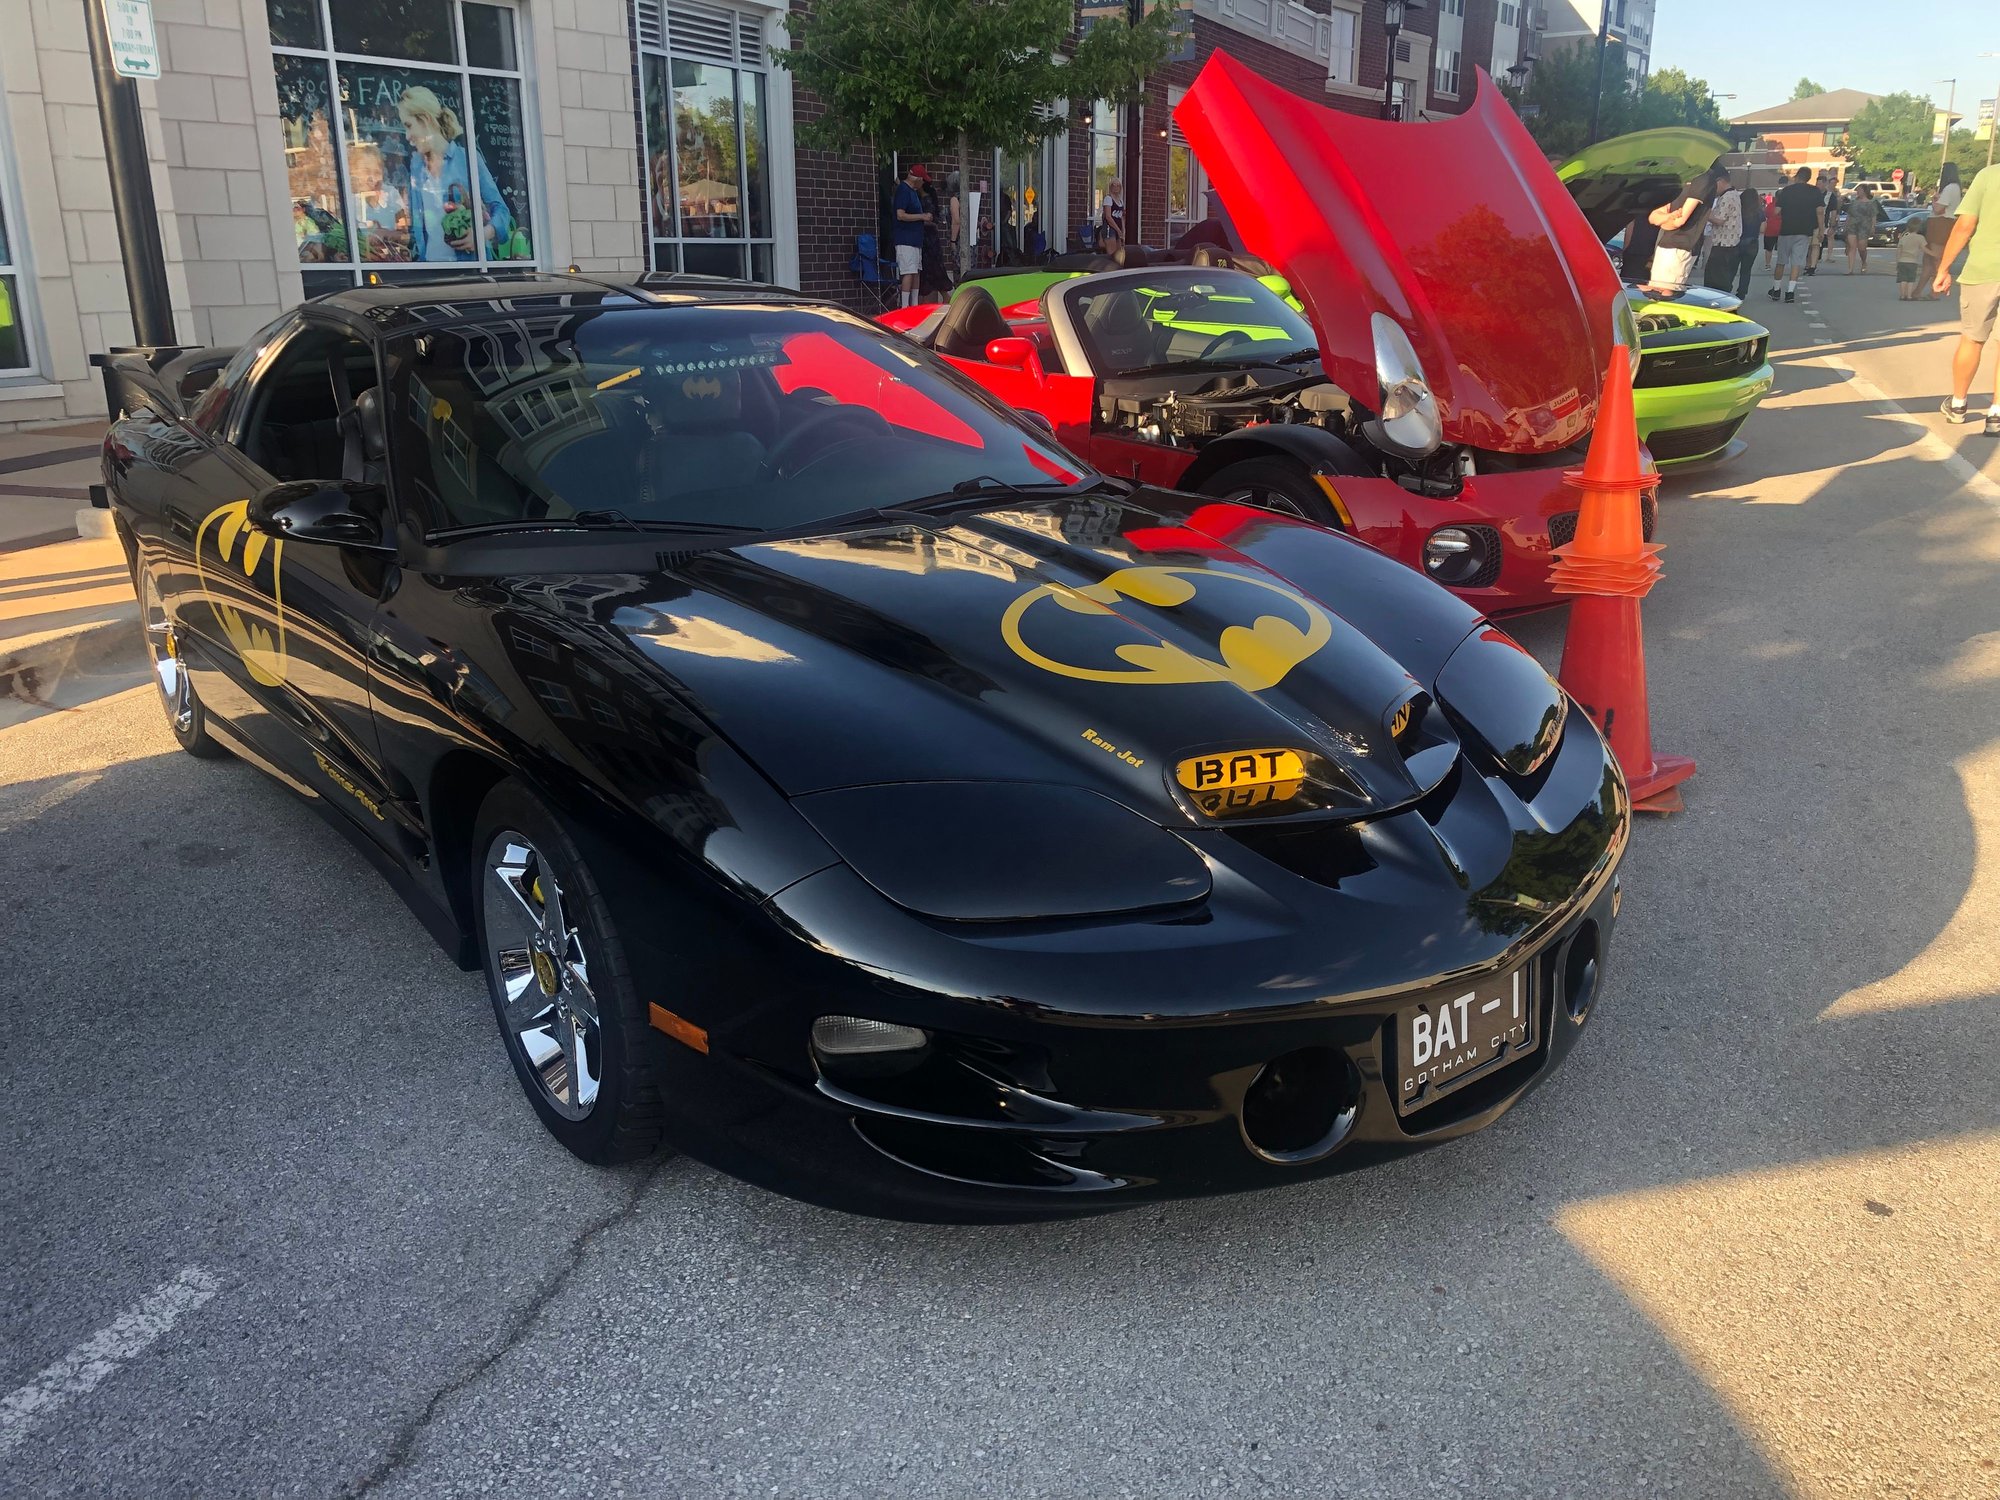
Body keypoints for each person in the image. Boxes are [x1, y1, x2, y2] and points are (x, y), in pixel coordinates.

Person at [396, 85, 511, 263]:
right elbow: (417, 230)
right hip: (427, 272)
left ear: (425, 119)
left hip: (469, 273)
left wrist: (480, 236)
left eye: (409, 126)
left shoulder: (467, 160)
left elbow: (502, 212)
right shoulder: (417, 167)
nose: (407, 136)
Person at [1932, 162, 1999, 435]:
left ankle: (1958, 404)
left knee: (1972, 339)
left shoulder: (1989, 175)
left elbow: (1964, 225)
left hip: (1984, 270)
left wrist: (1943, 268)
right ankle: (1996, 414)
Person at [1644, 167, 1716, 295]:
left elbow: (1680, 221)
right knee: (1654, 292)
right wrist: (1669, 217)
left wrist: (1664, 220)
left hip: (1682, 245)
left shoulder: (1703, 177)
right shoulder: (1681, 174)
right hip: (1665, 243)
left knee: (1667, 294)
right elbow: (1653, 217)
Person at [1767, 167, 1824, 304]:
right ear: (1809, 178)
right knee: (1796, 263)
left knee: (1781, 261)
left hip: (1786, 230)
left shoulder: (1786, 191)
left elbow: (1776, 211)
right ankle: (1790, 292)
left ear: (1797, 176)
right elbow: (1820, 212)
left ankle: (1776, 289)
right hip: (1804, 231)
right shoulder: (1815, 191)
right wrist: (1821, 230)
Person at [891, 161, 932, 309]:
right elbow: (900, 215)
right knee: (908, 271)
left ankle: (914, 304)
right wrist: (922, 216)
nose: (923, 184)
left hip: (915, 239)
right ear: (918, 179)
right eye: (923, 180)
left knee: (915, 271)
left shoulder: (913, 192)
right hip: (905, 239)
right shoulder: (903, 190)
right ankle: (905, 306)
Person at [1921, 163, 1963, 299]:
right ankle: (1917, 291)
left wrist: (1934, 200)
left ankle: (1936, 290)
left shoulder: (1950, 188)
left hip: (1941, 223)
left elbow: (1939, 209)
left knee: (1936, 258)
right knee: (1928, 260)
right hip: (1942, 222)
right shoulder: (1955, 188)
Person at [1701, 168, 1743, 291]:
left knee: (1715, 282)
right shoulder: (1734, 194)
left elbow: (1719, 220)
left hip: (1722, 245)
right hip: (1731, 244)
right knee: (1724, 280)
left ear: (1720, 181)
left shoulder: (1726, 197)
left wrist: (1704, 213)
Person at [1734, 178, 1764, 298]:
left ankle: (1727, 289)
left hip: (1738, 241)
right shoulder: (1759, 212)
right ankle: (1742, 292)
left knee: (1732, 267)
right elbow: (1762, 229)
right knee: (1746, 270)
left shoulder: (1739, 211)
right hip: (1752, 242)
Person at [1843, 184, 1878, 274]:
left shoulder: (1871, 203)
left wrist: (1873, 226)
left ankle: (1863, 262)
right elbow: (1849, 214)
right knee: (1852, 246)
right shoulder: (1854, 202)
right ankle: (1850, 269)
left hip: (1864, 226)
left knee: (1862, 247)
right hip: (1852, 225)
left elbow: (1873, 216)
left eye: (1859, 190)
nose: (1857, 192)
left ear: (1864, 191)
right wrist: (1845, 226)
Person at [1895, 218, 1928, 301]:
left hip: (1902, 261)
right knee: (1911, 280)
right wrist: (1933, 253)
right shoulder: (1920, 238)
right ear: (1919, 228)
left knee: (1903, 279)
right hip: (1913, 262)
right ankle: (1909, 296)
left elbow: (1899, 250)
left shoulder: (1903, 238)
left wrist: (1897, 261)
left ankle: (1902, 295)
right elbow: (1924, 249)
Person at [1095, 178, 1125, 255]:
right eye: (1113, 185)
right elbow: (1108, 217)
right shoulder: (1108, 199)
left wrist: (1123, 229)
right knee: (1112, 254)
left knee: (1119, 253)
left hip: (1118, 228)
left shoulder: (1120, 200)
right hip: (1109, 228)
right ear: (1110, 187)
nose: (1115, 187)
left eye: (1118, 186)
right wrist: (1118, 230)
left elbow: (1121, 216)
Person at [1761, 190, 1781, 270]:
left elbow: (1765, 214)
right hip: (1781, 229)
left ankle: (1767, 264)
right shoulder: (1785, 204)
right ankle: (1780, 264)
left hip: (1770, 229)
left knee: (1768, 249)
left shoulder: (1770, 204)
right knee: (1781, 249)